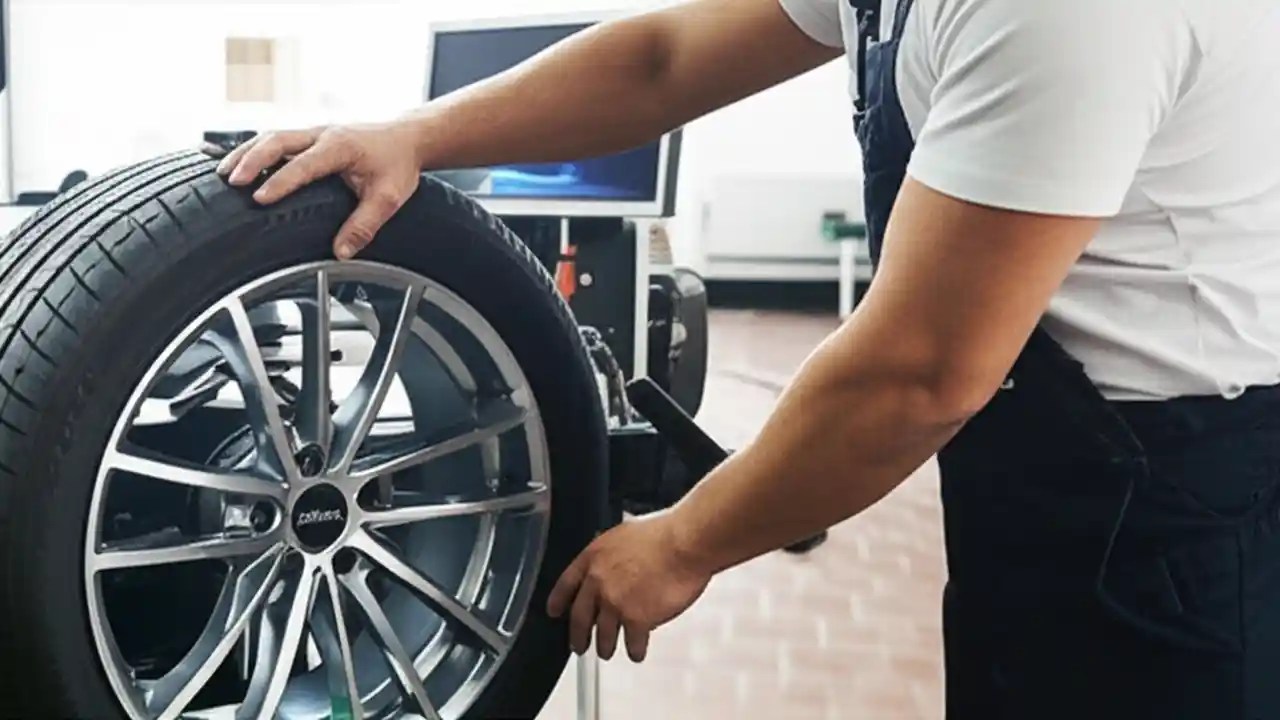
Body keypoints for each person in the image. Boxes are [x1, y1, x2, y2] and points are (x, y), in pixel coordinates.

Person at [215, 0, 1280, 715]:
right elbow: (664, 58)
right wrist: (415, 136)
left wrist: (683, 543)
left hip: (1168, 525)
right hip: (1041, 485)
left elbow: (919, 370)